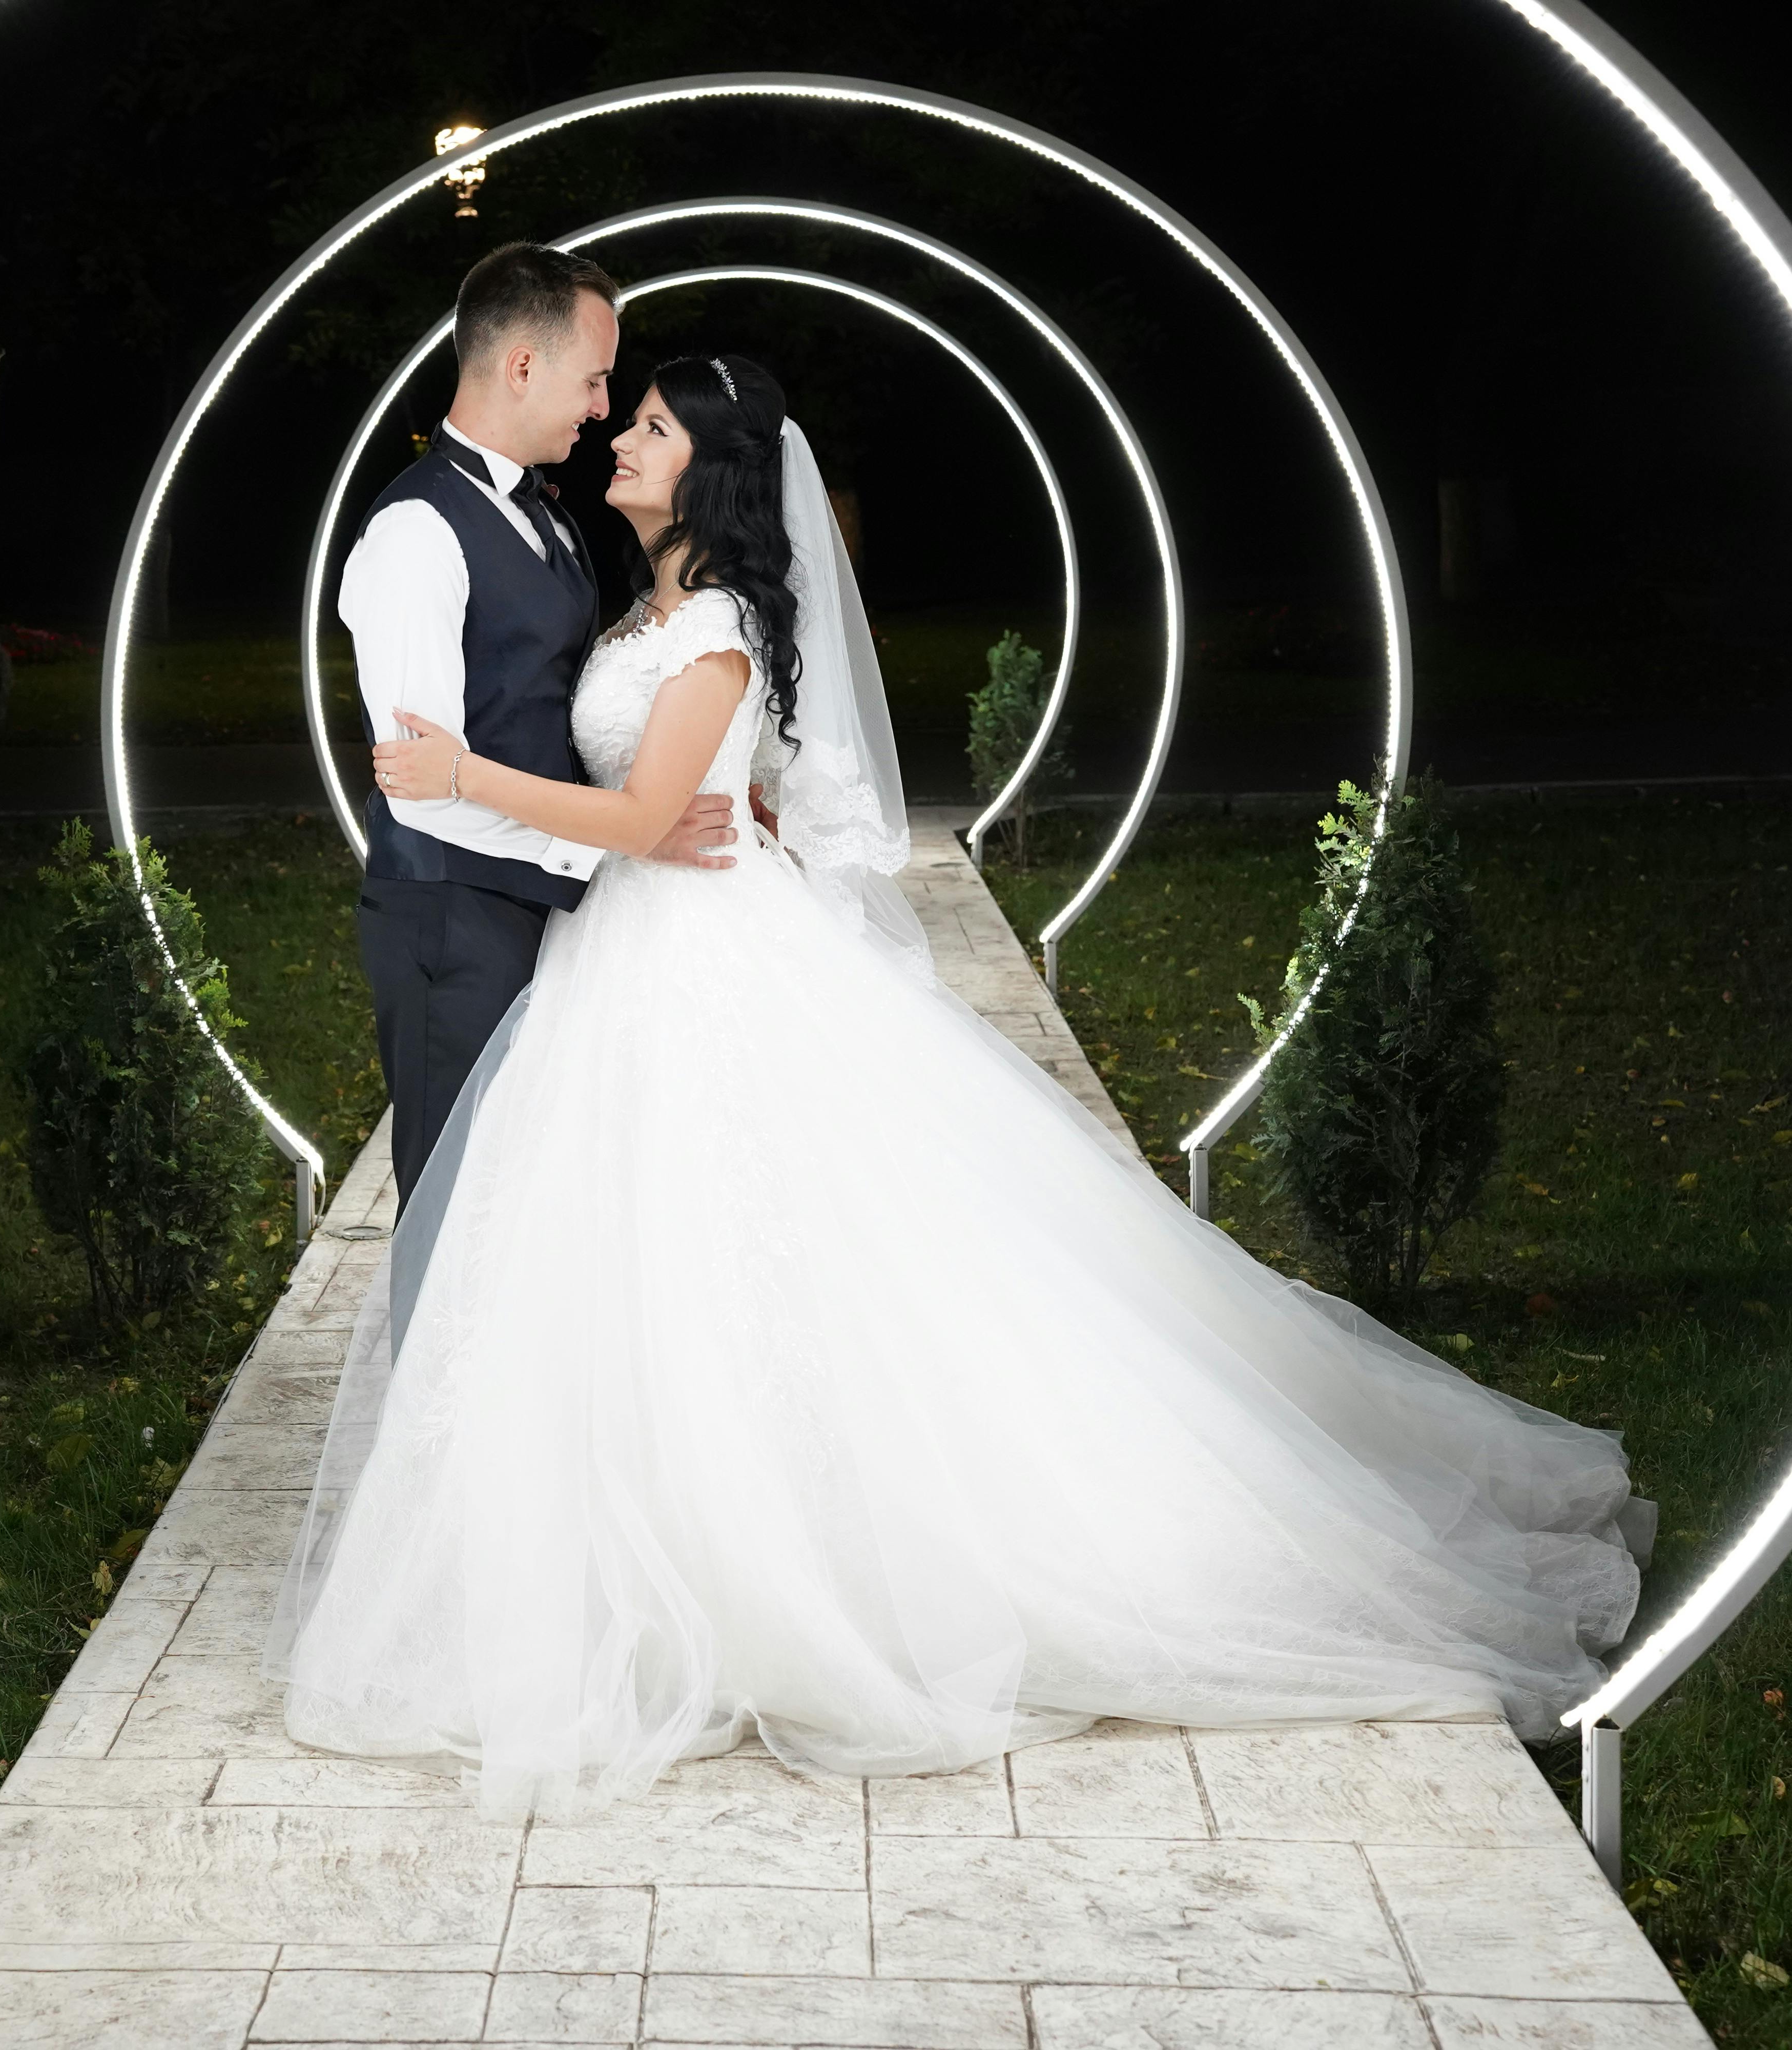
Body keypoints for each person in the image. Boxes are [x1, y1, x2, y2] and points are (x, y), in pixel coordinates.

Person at [264, 348, 1658, 1828]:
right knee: (631, 1263)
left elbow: (639, 811)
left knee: (743, 1248)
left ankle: (783, 1569)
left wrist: (461, 776)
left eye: (653, 424)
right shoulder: (648, 609)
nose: (621, 434)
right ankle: (620, 1549)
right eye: (625, 410)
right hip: (625, 954)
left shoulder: (723, 624)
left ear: (714, 470)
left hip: (698, 959)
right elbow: (659, 806)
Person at [341, 242, 740, 1204]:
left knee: (535, 1221)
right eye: (595, 379)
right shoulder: (416, 535)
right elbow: (426, 787)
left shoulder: (556, 517)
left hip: (552, 920)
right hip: (454, 921)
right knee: (454, 1206)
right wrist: (626, 845)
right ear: (524, 366)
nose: (603, 410)